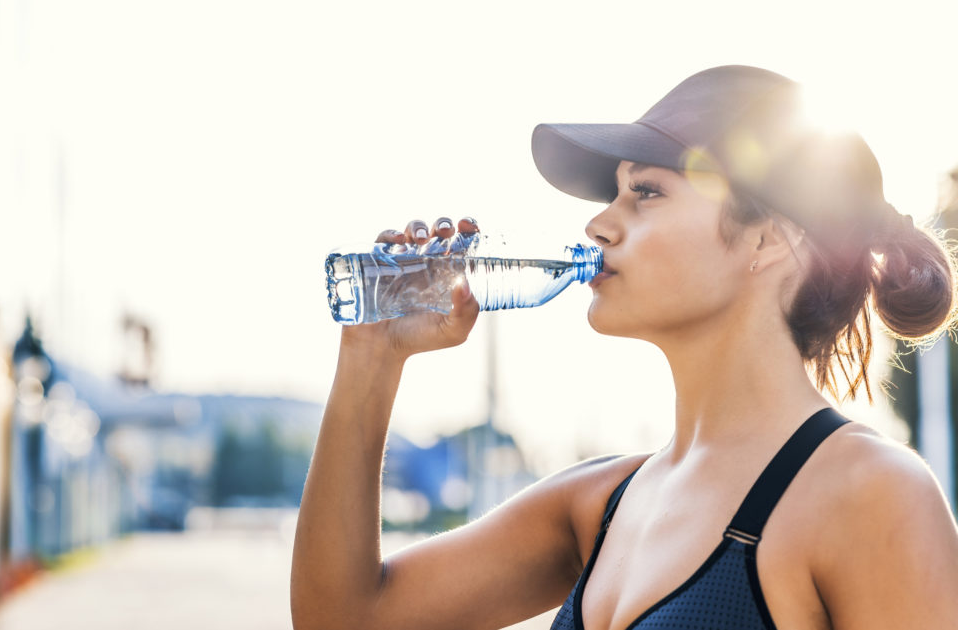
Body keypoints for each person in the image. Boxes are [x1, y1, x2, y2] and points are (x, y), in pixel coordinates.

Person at [290, 66, 958, 629]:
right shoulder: (600, 501)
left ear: (770, 241)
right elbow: (345, 616)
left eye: (645, 192)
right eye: (616, 191)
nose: (598, 221)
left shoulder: (871, 494)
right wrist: (372, 358)